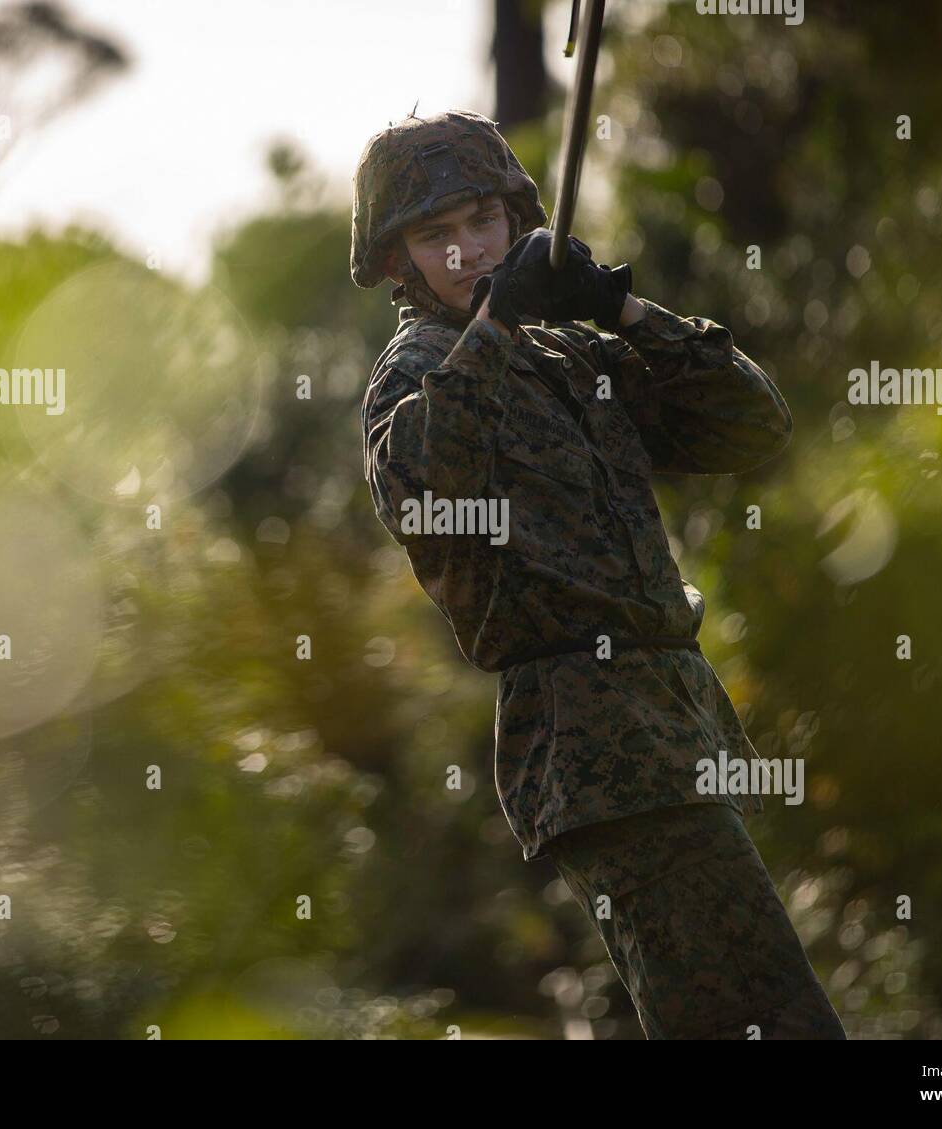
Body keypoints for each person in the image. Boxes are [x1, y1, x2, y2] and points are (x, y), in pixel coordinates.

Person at [352, 108, 845, 1039]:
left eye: (482, 224)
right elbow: (422, 481)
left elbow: (750, 424)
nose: (464, 251)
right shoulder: (413, 369)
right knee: (769, 1019)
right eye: (434, 236)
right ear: (396, 263)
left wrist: (618, 306)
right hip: (593, 745)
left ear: (518, 222)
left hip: (673, 719)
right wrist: (498, 321)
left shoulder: (575, 356)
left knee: (741, 1015)